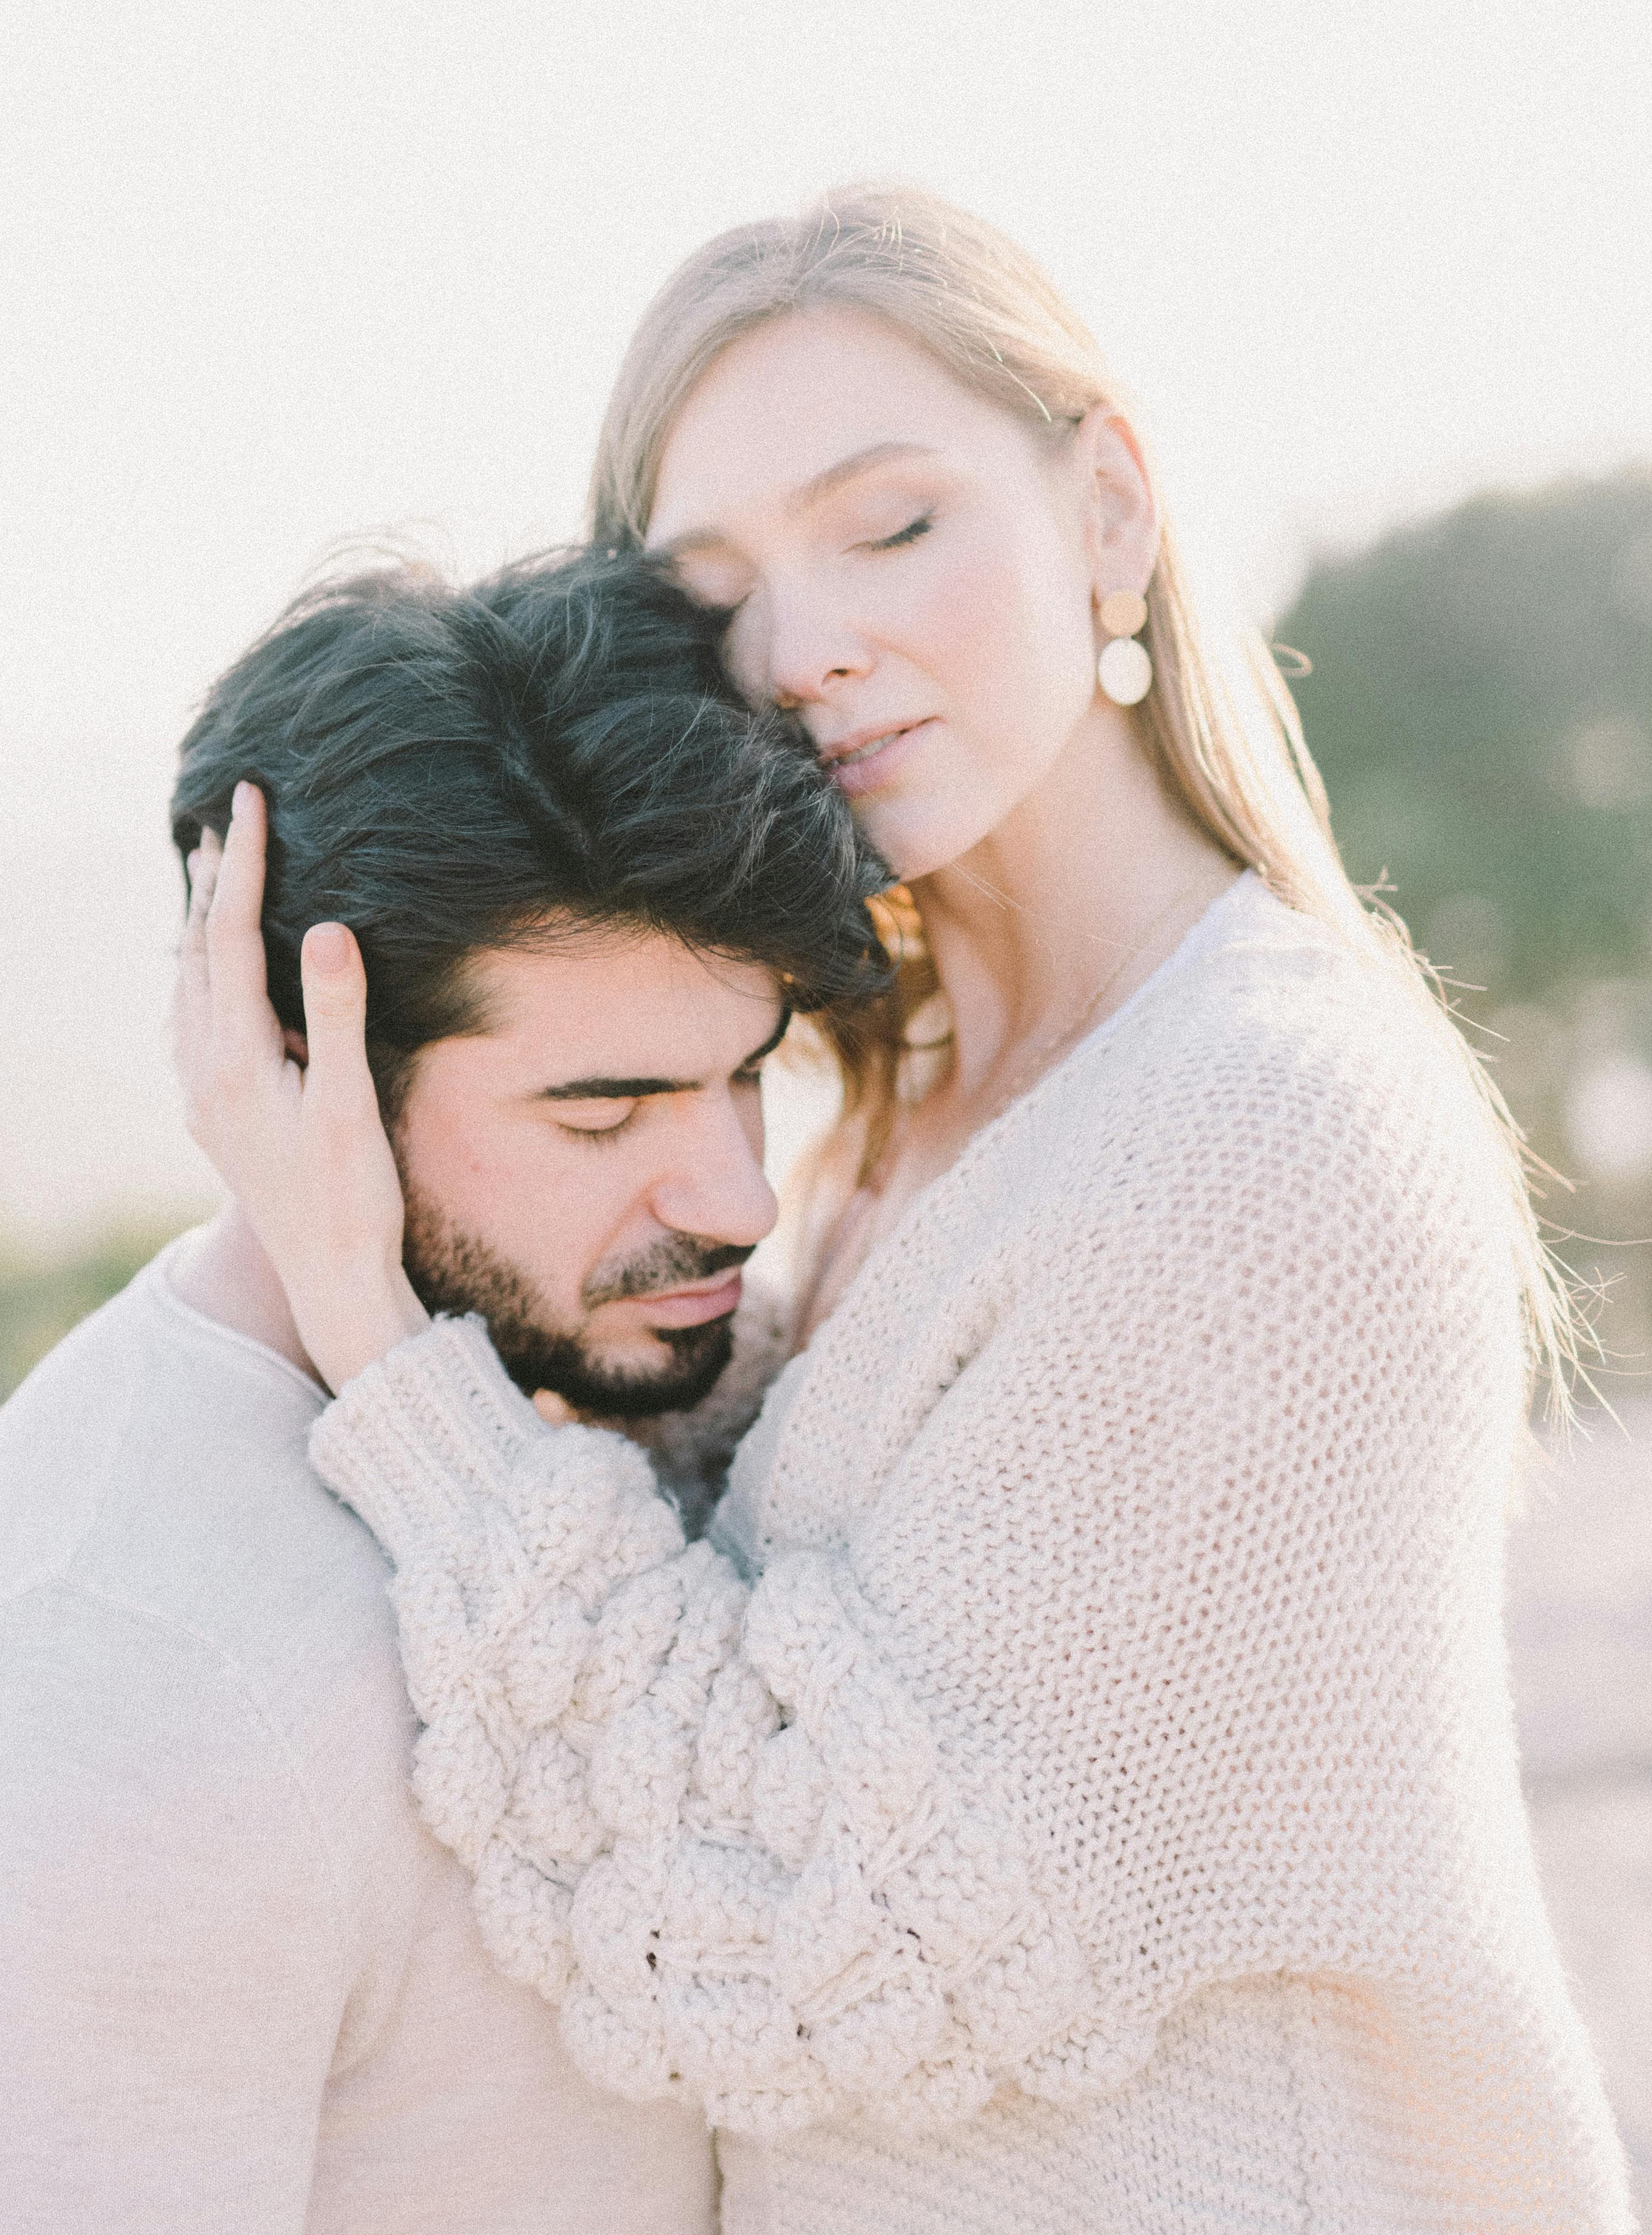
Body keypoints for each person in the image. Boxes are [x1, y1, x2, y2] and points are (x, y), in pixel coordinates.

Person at [176, 185, 1633, 2234]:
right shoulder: (897, 1103)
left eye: (891, 525)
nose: (803, 646)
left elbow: (800, 1942)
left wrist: (379, 1343)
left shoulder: (1258, 1127)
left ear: (1107, 514)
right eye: (712, 593)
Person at [0, 549, 888, 2234]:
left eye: (745, 1077)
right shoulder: (122, 1666)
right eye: (602, 1114)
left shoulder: (581, 1412)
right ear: (294, 1065)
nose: (740, 1194)